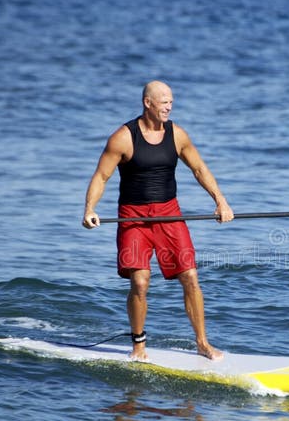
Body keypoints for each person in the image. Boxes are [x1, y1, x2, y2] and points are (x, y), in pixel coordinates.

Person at [82, 80, 234, 361]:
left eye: (171, 102)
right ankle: (139, 345)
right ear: (147, 103)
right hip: (133, 217)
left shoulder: (177, 135)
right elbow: (101, 176)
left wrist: (220, 201)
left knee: (190, 276)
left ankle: (202, 343)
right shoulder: (123, 138)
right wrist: (90, 208)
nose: (169, 107)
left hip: (169, 214)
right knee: (140, 282)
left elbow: (199, 169)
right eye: (164, 102)